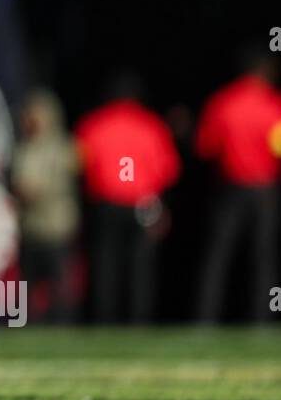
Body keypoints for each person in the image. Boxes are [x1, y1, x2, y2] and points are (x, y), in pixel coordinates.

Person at [195, 53, 281, 322]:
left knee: (218, 256)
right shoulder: (276, 103)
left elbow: (206, 146)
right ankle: (264, 320)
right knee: (264, 257)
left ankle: (206, 319)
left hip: (230, 188)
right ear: (267, 71)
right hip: (265, 191)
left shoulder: (223, 102)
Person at [74, 74, 180, 324]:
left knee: (104, 267)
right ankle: (138, 324)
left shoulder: (93, 125)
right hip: (141, 206)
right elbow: (167, 171)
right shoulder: (151, 126)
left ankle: (104, 323)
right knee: (140, 269)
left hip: (105, 205)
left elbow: (81, 166)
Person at [11, 90, 80, 323]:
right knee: (28, 287)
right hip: (31, 227)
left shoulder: (63, 147)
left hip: (56, 227)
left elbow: (56, 183)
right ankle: (28, 327)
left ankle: (63, 328)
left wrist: (32, 191)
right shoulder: (25, 148)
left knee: (60, 285)